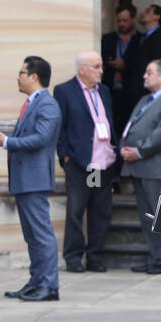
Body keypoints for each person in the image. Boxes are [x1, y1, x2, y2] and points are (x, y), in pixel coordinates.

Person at [0, 56, 61, 302]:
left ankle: (48, 286)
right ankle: (37, 282)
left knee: (41, 235)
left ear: (34, 76)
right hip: (25, 179)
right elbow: (27, 136)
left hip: (34, 180)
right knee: (32, 236)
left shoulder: (47, 105)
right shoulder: (33, 103)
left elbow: (40, 139)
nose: (18, 76)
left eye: (22, 72)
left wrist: (5, 142)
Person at [55, 51, 117, 274]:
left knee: (100, 212)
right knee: (75, 211)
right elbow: (59, 126)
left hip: (104, 161)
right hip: (80, 162)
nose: (101, 71)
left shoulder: (105, 91)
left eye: (101, 66)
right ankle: (73, 258)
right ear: (82, 69)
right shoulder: (64, 91)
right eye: (96, 67)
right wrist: (65, 156)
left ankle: (95, 257)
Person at [120, 59, 161, 274]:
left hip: (158, 167)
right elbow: (131, 125)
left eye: (149, 72)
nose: (144, 76)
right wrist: (124, 147)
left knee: (160, 215)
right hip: (141, 167)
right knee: (147, 217)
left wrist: (140, 150)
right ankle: (155, 257)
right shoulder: (146, 99)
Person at [101, 3, 137, 101]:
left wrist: (125, 65)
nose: (121, 24)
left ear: (133, 19)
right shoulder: (107, 38)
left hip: (132, 91)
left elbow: (141, 63)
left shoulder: (140, 40)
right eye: (119, 21)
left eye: (125, 21)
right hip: (110, 89)